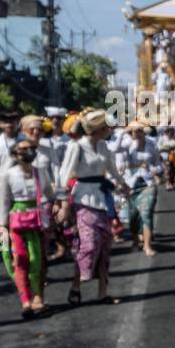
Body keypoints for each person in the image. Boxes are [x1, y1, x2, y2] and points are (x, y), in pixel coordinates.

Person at [57, 110, 130, 305]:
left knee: (105, 245)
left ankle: (102, 292)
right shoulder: (76, 147)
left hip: (103, 199)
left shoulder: (104, 146)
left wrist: (122, 184)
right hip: (83, 200)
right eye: (107, 127)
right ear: (100, 128)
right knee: (87, 244)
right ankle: (78, 281)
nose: (110, 130)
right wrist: (63, 203)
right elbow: (64, 176)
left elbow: (112, 170)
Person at [0, 136, 54, 318]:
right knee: (19, 260)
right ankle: (26, 300)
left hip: (37, 222)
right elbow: (4, 203)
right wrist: (2, 229)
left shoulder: (40, 172)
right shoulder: (8, 175)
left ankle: (37, 296)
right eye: (24, 149)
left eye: (32, 148)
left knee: (37, 259)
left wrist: (57, 208)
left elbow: (49, 195)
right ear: (15, 154)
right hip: (16, 223)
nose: (30, 152)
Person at [117, 121, 163, 257]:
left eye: (139, 130)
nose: (136, 133)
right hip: (130, 183)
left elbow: (158, 164)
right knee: (133, 217)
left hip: (147, 183)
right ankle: (136, 241)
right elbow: (115, 150)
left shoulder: (152, 143)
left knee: (147, 213)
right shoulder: (126, 144)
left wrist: (154, 170)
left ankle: (147, 245)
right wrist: (124, 132)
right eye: (134, 131)